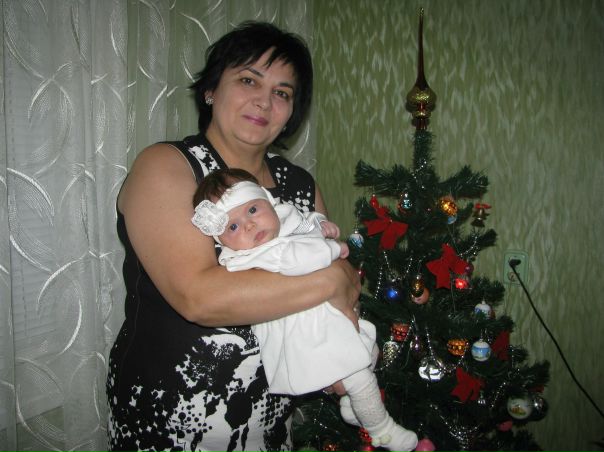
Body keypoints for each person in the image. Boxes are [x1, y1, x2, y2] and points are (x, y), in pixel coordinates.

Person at [106, 21, 361, 452]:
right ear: (211, 90)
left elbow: (342, 294)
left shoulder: (300, 185)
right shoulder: (168, 166)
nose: (264, 101)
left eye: (283, 92)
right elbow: (199, 298)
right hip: (167, 423)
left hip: (269, 422)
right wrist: (331, 280)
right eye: (248, 80)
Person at [191, 168, 419, 452]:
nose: (248, 225)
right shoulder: (253, 255)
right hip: (302, 332)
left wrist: (321, 225)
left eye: (252, 210)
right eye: (233, 227)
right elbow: (299, 260)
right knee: (358, 373)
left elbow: (303, 221)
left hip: (323, 316)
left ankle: (353, 406)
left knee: (368, 353)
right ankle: (381, 429)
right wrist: (333, 250)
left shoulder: (279, 220)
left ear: (268, 202)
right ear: (222, 242)